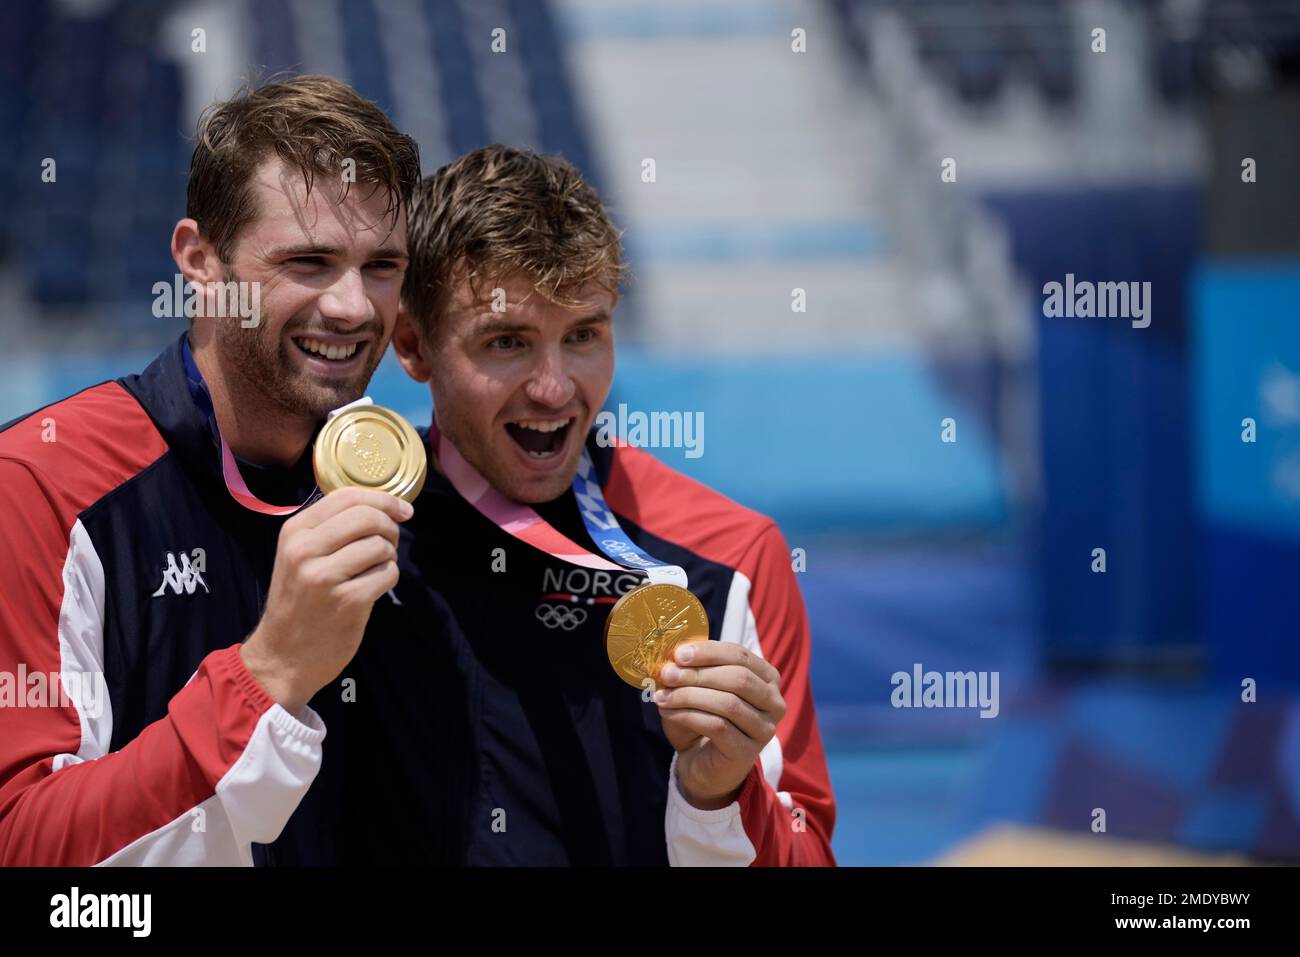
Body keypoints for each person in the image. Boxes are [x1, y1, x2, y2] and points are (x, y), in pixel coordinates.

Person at [0, 75, 421, 865]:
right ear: (200, 259)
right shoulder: (41, 484)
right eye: (310, 260)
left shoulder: (401, 488)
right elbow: (23, 849)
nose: (354, 307)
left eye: (381, 266)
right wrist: (268, 673)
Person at [378, 145, 837, 865]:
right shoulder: (335, 527)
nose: (555, 388)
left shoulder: (729, 560)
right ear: (413, 343)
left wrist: (716, 796)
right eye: (508, 342)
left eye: (583, 335)